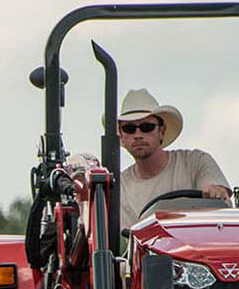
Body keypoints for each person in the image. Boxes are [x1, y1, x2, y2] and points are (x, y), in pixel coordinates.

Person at [67, 88, 230, 230]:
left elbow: (218, 200)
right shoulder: (117, 187)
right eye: (129, 128)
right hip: (148, 264)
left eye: (146, 127)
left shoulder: (196, 162)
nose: (138, 135)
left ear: (162, 131)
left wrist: (215, 192)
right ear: (121, 136)